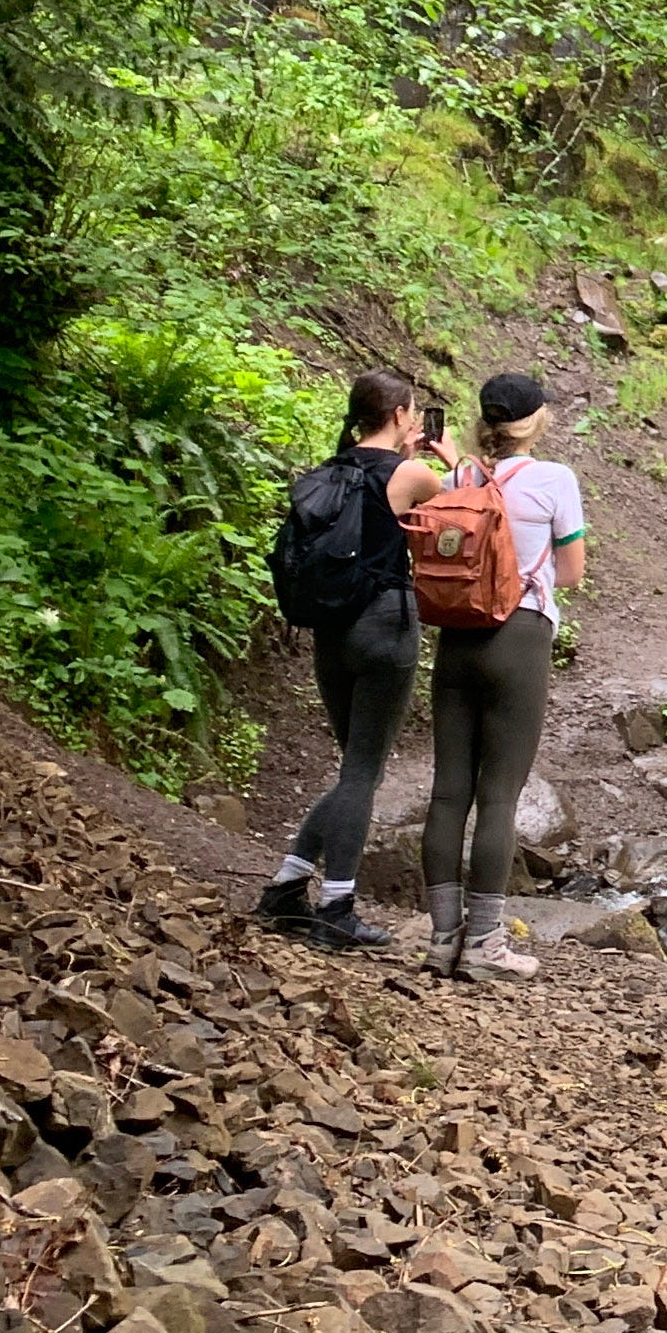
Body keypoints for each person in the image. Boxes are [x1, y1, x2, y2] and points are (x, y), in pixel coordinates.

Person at [258, 372, 444, 951]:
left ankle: (287, 889)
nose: (416, 421)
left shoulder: (328, 471)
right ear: (397, 415)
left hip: (331, 630)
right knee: (363, 773)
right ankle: (337, 904)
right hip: (385, 625)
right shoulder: (411, 472)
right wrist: (449, 459)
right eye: (412, 413)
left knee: (353, 772)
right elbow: (463, 508)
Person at [424, 369, 585, 979]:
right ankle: (487, 945)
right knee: (499, 794)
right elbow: (569, 572)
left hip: (458, 637)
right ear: (536, 421)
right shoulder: (554, 479)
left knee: (448, 791)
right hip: (520, 635)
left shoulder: (458, 478)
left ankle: (443, 940)